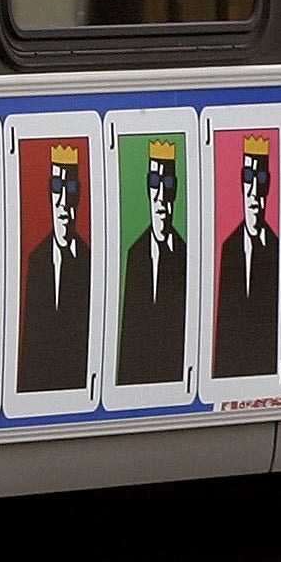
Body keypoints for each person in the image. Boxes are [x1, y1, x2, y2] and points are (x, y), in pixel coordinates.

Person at [16, 143, 92, 394]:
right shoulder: (37, 259)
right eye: (57, 187)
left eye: (71, 189)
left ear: (79, 194)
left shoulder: (89, 259)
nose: (63, 200)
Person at [116, 138, 190, 387]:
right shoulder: (135, 253)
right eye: (155, 183)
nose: (160, 195)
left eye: (167, 184)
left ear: (175, 190)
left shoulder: (186, 254)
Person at [212, 135, 281, 379]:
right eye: (248, 178)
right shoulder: (229, 247)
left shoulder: (278, 247)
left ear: (269, 184)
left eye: (260, 179)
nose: (253, 191)